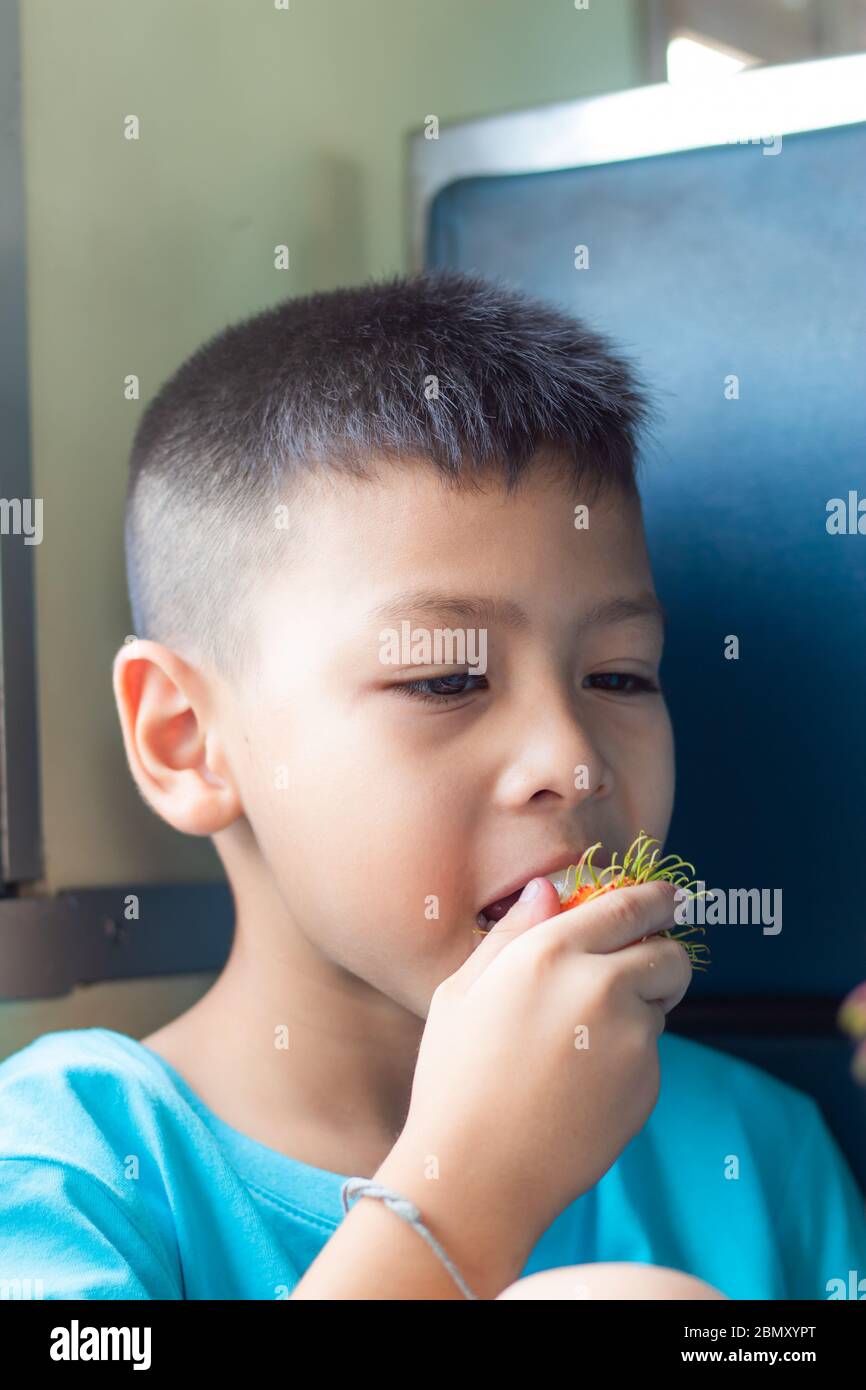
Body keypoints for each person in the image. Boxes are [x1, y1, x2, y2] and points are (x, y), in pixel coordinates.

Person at [1, 271, 863, 1300]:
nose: (573, 761)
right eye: (445, 677)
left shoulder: (755, 1154)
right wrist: (457, 1207)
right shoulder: (67, 1172)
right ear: (186, 739)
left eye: (618, 675)